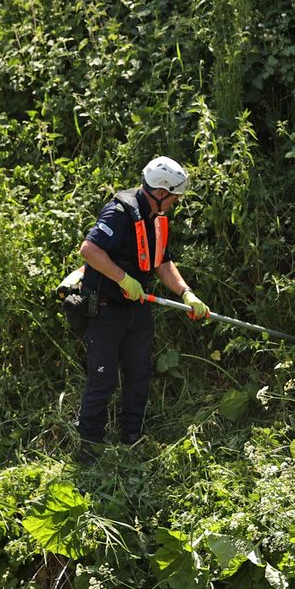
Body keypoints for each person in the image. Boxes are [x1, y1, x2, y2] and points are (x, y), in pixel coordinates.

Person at [75, 156, 209, 460]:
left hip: (137, 308)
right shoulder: (119, 213)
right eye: (174, 196)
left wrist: (186, 293)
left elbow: (162, 262)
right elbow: (89, 249)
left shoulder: (156, 217)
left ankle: (131, 438)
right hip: (105, 309)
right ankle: (90, 448)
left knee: (139, 374)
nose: (176, 202)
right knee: (103, 378)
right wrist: (122, 278)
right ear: (160, 192)